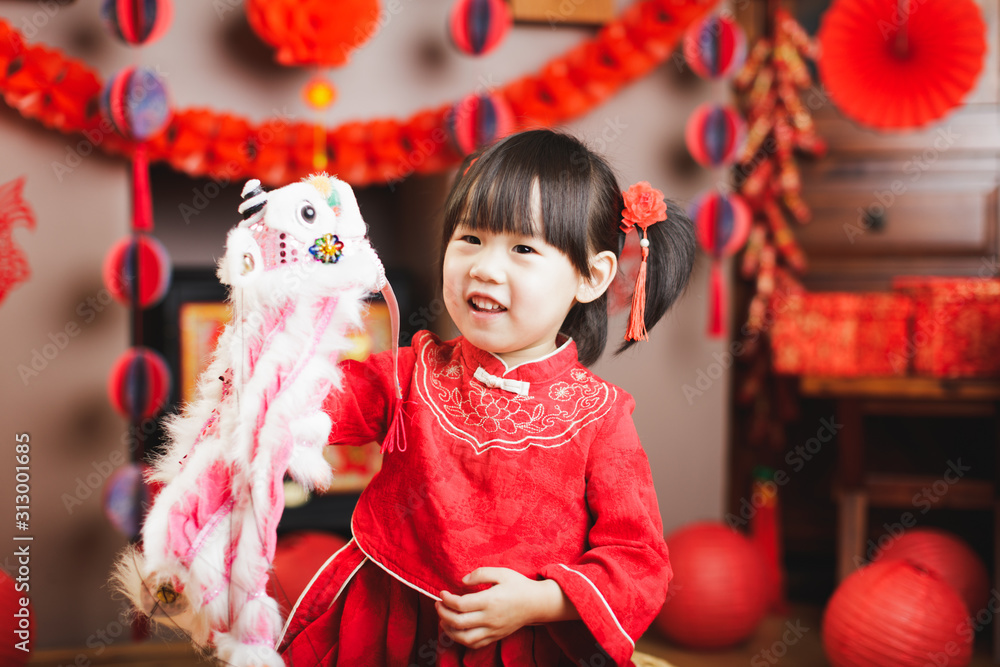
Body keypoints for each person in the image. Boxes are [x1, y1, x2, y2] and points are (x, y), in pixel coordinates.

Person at [278, 128, 696, 666]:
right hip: (387, 625)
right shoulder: (415, 371)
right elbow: (315, 401)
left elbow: (638, 562)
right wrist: (271, 363)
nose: (484, 267)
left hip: (520, 645)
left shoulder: (599, 417)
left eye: (522, 248)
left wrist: (539, 601)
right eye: (470, 238)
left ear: (591, 277)